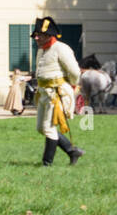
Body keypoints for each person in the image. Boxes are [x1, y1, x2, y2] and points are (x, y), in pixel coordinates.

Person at [31, 16, 84, 166]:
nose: (36, 38)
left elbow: (74, 72)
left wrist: (71, 86)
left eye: (38, 35)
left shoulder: (61, 48)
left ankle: (46, 164)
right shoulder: (41, 51)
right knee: (41, 128)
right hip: (43, 92)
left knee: (48, 128)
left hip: (58, 93)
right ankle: (72, 151)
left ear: (48, 35)